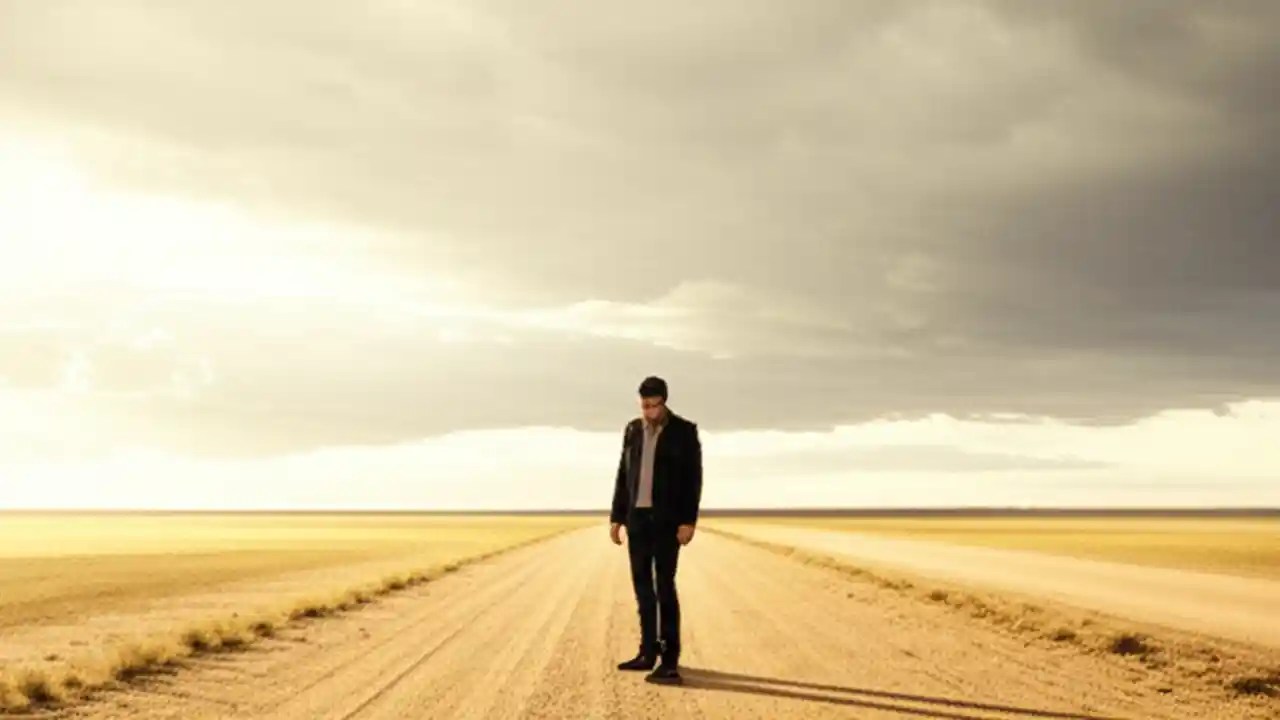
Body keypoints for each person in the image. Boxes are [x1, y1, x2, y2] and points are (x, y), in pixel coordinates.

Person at [609, 375, 702, 685]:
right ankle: (646, 652)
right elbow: (623, 473)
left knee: (664, 586)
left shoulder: (684, 432)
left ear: (664, 401)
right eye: (643, 405)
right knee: (642, 589)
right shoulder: (633, 430)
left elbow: (693, 480)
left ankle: (670, 661)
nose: (647, 411)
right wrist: (617, 517)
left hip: (667, 523)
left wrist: (688, 521)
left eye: (653, 405)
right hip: (637, 520)